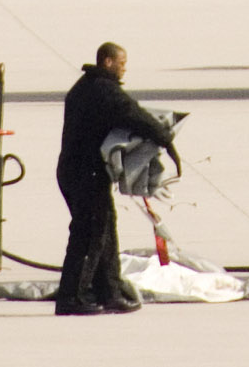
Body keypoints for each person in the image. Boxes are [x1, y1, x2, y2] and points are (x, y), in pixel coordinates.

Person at [54, 42, 174, 316]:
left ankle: (109, 292)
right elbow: (133, 114)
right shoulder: (103, 91)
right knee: (89, 234)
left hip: (75, 171)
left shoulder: (83, 87)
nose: (124, 69)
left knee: (105, 230)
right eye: (122, 63)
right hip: (85, 173)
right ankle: (71, 297)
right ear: (108, 62)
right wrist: (165, 138)